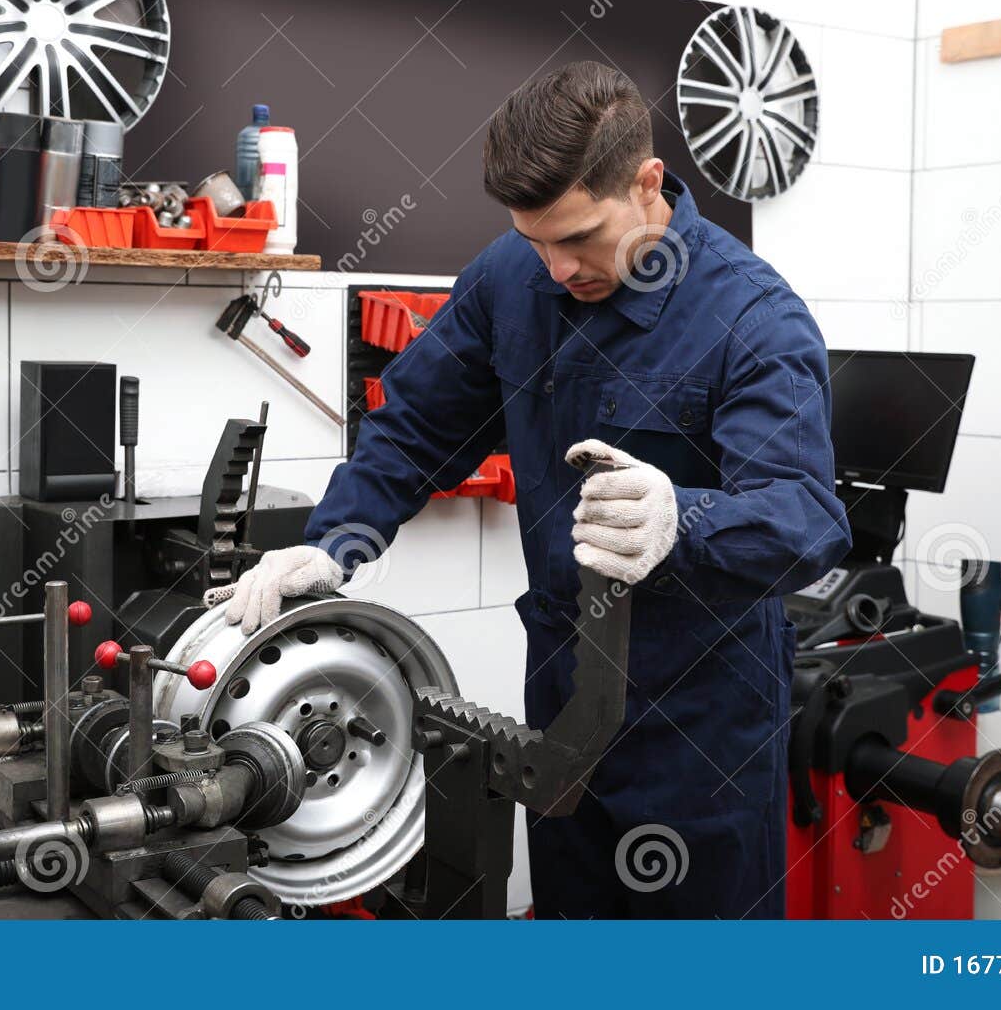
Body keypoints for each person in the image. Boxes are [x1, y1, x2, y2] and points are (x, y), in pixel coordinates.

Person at [205, 60, 850, 918]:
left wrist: (681, 520)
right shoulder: (512, 277)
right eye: (535, 238)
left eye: (578, 237)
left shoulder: (753, 318)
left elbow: (807, 519)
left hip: (703, 730)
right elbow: (414, 427)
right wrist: (334, 544)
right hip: (559, 702)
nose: (554, 268)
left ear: (647, 183)